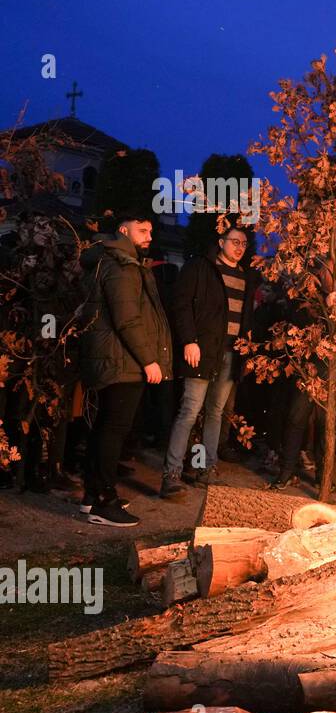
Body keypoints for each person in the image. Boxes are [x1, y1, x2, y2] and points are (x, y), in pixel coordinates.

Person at [78, 213, 173, 526]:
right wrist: (149, 360)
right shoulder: (121, 266)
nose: (149, 236)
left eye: (150, 231)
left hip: (115, 359)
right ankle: (105, 500)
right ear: (123, 230)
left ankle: (92, 498)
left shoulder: (116, 261)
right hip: (122, 361)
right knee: (113, 430)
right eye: (142, 230)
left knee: (106, 427)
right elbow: (127, 319)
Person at [160, 225, 257, 497]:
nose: (239, 247)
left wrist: (245, 351)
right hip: (203, 351)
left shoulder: (245, 276)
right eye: (235, 241)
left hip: (231, 353)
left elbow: (246, 316)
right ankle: (172, 474)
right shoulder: (200, 268)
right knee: (190, 410)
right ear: (221, 241)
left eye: (244, 243)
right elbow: (181, 305)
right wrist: (190, 340)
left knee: (215, 412)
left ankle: (205, 470)